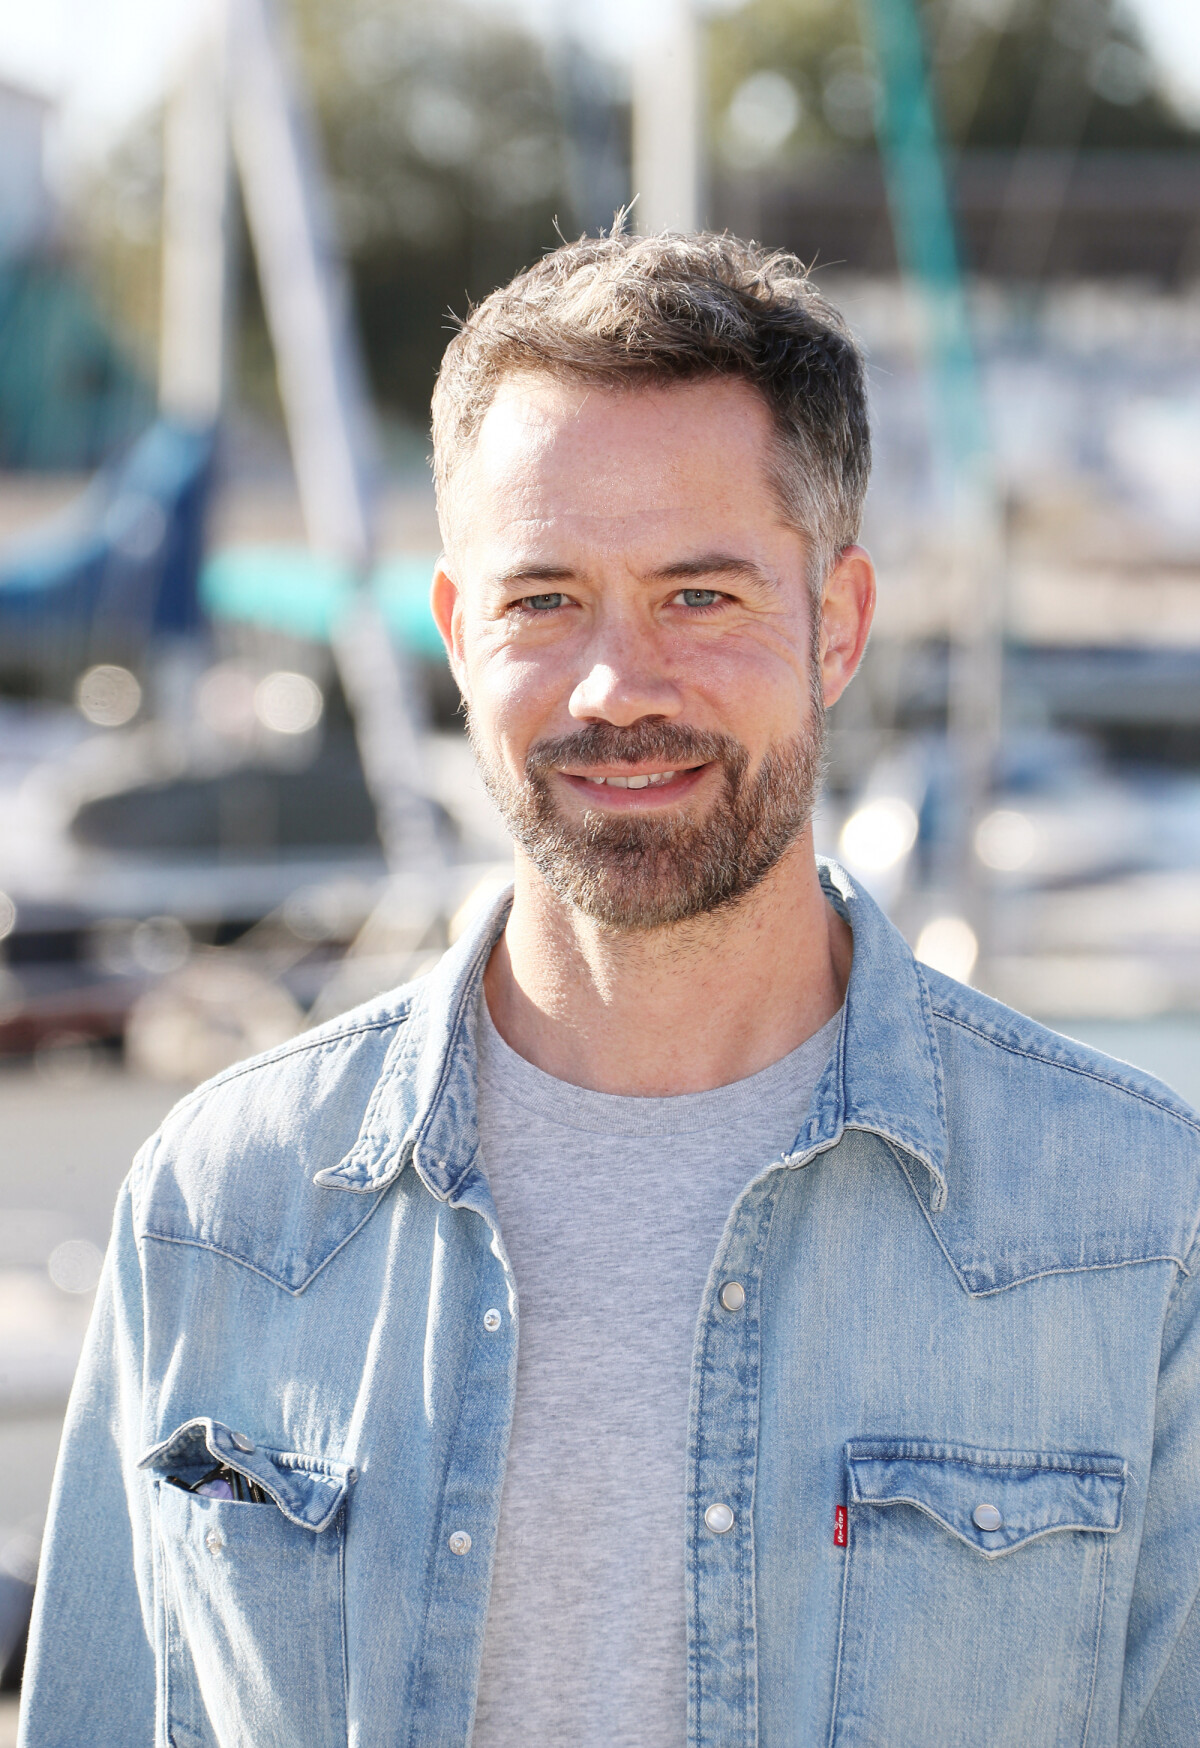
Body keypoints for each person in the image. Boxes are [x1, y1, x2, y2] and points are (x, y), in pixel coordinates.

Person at [19, 232, 1200, 1748]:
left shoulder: (1132, 1221)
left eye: (700, 598)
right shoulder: (221, 1210)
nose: (613, 689)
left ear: (838, 624)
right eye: (545, 599)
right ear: (456, 633)